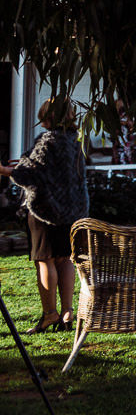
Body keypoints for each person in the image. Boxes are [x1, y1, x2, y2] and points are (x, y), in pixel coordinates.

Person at [0, 98, 90, 333]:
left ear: (49, 117)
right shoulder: (75, 141)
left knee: (45, 258)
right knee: (65, 258)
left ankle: (50, 314)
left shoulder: (47, 141)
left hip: (45, 210)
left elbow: (31, 175)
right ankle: (68, 311)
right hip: (71, 210)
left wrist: (5, 171)